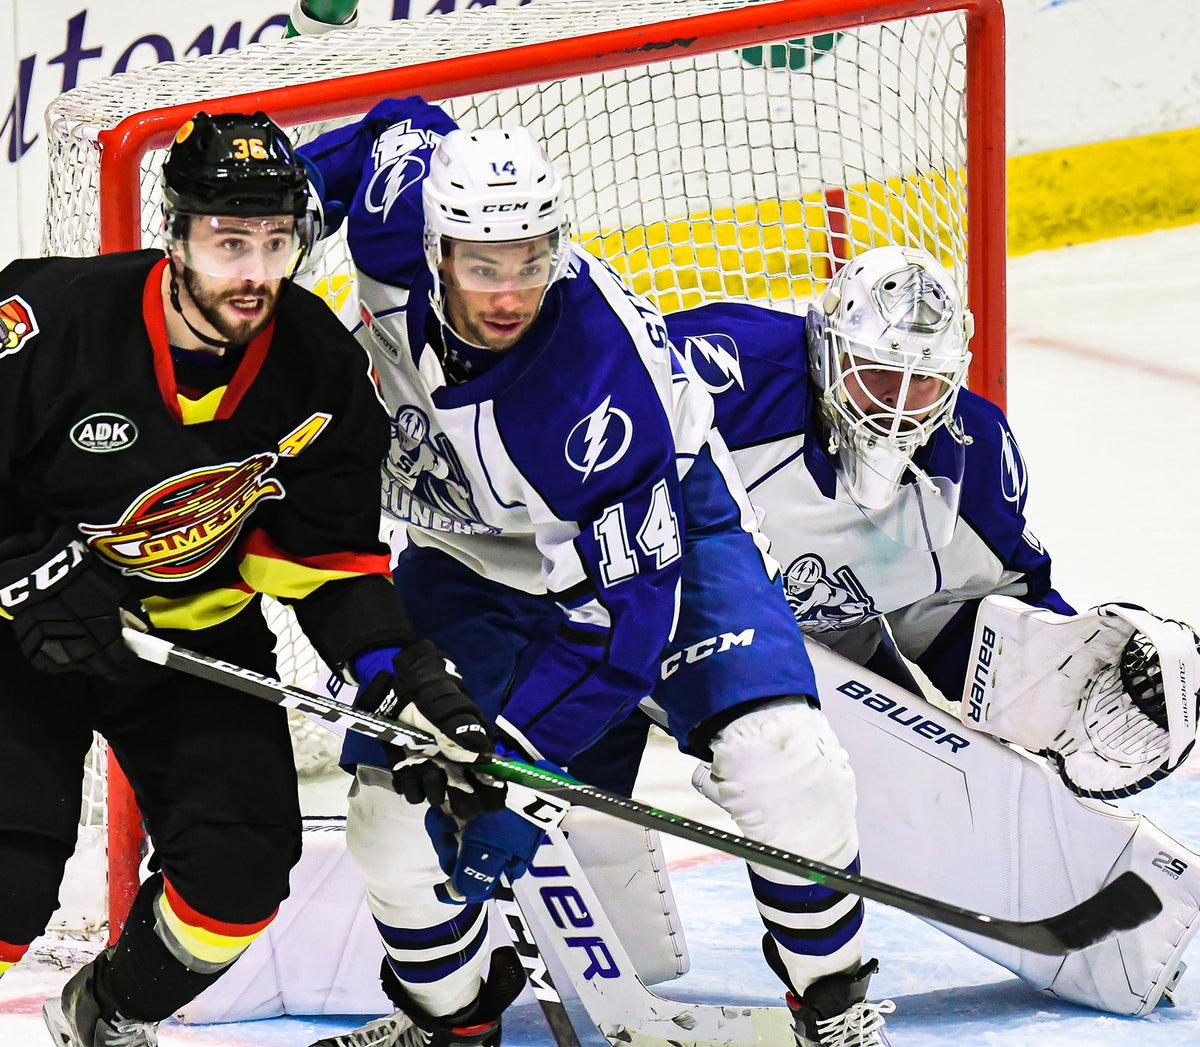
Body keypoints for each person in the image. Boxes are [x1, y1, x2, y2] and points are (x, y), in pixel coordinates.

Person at [298, 96, 893, 1047]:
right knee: (388, 823)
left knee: (785, 766)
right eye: (484, 266)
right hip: (469, 555)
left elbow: (622, 635)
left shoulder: (592, 394)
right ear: (437, 244)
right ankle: (453, 1024)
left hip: (668, 546)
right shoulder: (393, 216)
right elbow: (396, 123)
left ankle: (831, 998)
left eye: (530, 262)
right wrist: (288, 220)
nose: (507, 291)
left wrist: (516, 777)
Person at [574, 242, 1197, 1017]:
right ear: (827, 348)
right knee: (565, 799)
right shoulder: (729, 373)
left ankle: (1103, 937)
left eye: (924, 381)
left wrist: (1088, 680)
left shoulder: (974, 457)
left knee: (860, 780)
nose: (897, 405)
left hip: (825, 660)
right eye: (877, 373)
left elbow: (984, 624)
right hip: (650, 607)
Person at [0, 110, 492, 1047]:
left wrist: (408, 676)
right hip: (20, 636)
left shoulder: (320, 370)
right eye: (229, 242)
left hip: (189, 637)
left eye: (275, 242)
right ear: (175, 235)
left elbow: (328, 566)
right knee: (8, 873)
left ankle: (100, 1014)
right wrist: (20, 571)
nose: (257, 273)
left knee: (237, 878)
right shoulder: (48, 320)